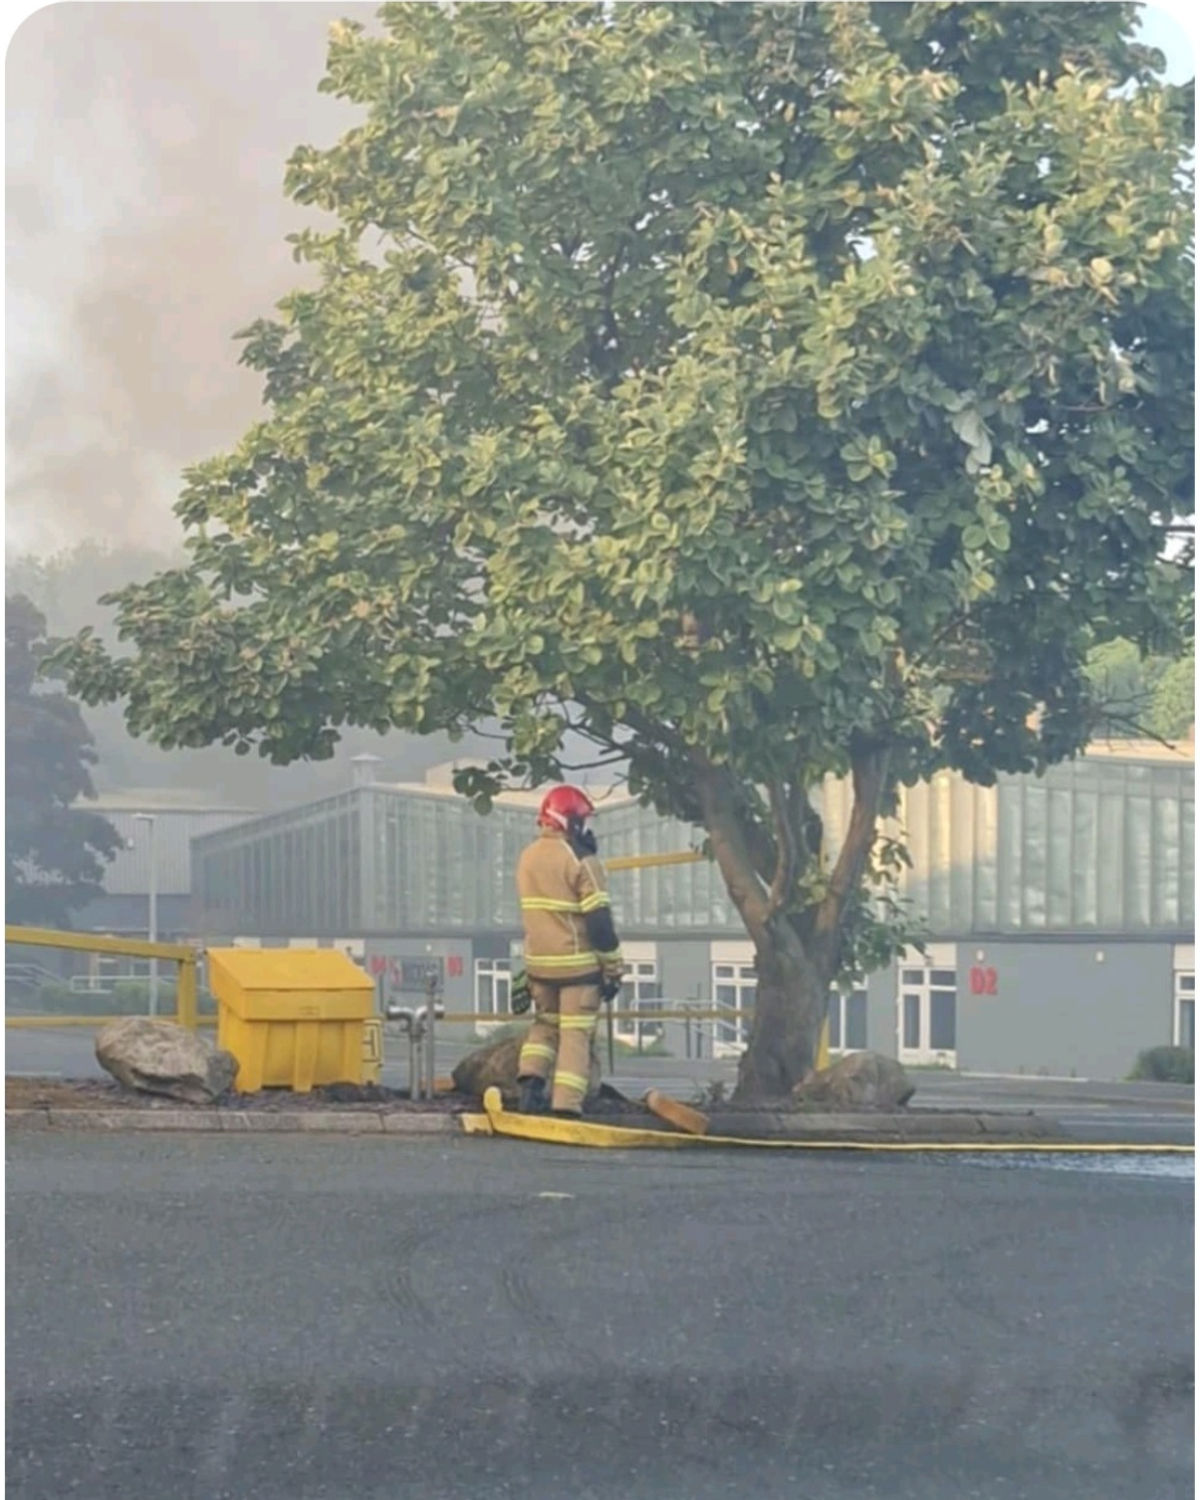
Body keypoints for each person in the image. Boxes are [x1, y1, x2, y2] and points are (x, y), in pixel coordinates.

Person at [514, 784, 624, 1118]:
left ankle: (530, 1086)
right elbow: (600, 924)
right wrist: (613, 968)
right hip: (577, 969)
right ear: (571, 822)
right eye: (584, 821)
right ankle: (566, 1105)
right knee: (575, 1034)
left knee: (544, 1026)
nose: (588, 829)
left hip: (538, 967)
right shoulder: (582, 861)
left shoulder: (527, 856)